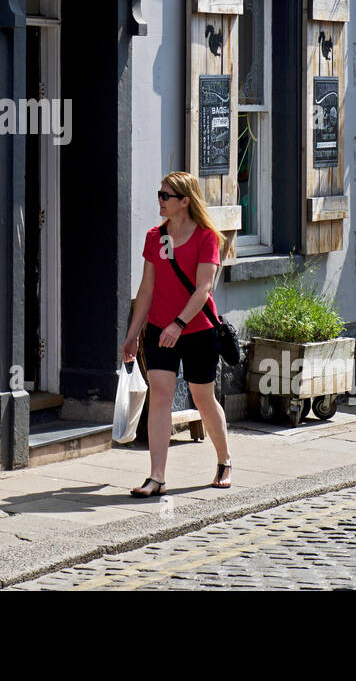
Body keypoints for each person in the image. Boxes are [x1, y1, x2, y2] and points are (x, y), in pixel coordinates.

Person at [121, 171, 233, 497]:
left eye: (165, 195)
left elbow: (203, 290)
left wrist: (179, 324)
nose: (159, 200)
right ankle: (156, 477)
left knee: (202, 397)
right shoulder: (156, 237)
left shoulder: (205, 237)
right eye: (159, 194)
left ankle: (224, 460)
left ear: (185, 201)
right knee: (160, 396)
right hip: (158, 328)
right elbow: (146, 290)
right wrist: (133, 334)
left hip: (197, 330)